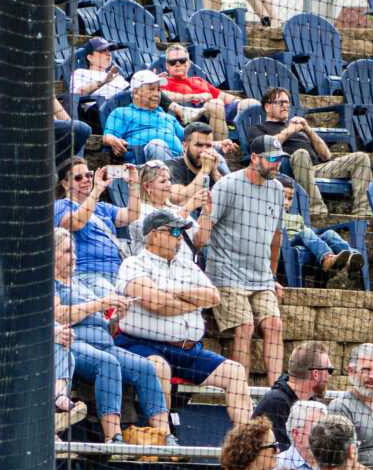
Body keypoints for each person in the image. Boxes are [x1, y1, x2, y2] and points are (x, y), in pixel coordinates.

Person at [115, 209, 249, 425]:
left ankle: (247, 443)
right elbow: (156, 303)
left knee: (235, 372)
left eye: (181, 232)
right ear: (155, 234)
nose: (180, 237)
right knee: (159, 368)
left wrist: (174, 292)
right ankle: (164, 440)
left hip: (189, 351)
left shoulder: (187, 265)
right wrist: (192, 302)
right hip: (144, 346)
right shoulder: (133, 264)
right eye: (175, 231)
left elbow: (213, 297)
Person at [53, 228, 171, 442]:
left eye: (74, 251)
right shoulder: (51, 285)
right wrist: (100, 303)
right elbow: (59, 317)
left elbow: (105, 329)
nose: (74, 257)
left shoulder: (82, 284)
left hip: (105, 343)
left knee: (146, 367)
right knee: (107, 363)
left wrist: (115, 318)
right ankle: (113, 437)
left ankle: (165, 436)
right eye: (67, 252)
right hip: (74, 344)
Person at [196, 135, 287, 385]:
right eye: (272, 159)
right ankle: (240, 390)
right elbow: (205, 228)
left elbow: (276, 238)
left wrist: (272, 276)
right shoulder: (227, 185)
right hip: (227, 273)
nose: (277, 164)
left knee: (274, 325)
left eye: (280, 159)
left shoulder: (278, 189)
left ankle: (277, 390)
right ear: (254, 158)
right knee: (245, 327)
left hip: (261, 277)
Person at [250, 87, 373, 217]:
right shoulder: (259, 128)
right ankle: (316, 210)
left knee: (361, 158)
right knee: (301, 154)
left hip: (315, 169)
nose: (285, 105)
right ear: (267, 107)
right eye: (279, 102)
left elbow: (326, 155)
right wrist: (290, 130)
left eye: (287, 102)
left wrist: (308, 130)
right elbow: (267, 147)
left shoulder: (300, 130)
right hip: (291, 171)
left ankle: (363, 213)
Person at [56, 156, 141, 295]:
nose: (86, 180)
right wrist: (97, 190)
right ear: (65, 184)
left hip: (117, 272)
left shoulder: (102, 207)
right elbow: (77, 223)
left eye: (88, 175)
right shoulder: (61, 205)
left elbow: (133, 214)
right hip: (86, 273)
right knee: (116, 304)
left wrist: (134, 185)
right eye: (78, 177)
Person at [158, 45, 254, 139]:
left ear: (188, 63)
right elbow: (162, 95)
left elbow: (223, 96)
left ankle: (252, 146)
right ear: (167, 66)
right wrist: (195, 97)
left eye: (182, 61)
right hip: (190, 117)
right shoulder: (163, 82)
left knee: (250, 103)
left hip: (217, 111)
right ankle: (219, 148)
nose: (177, 64)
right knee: (216, 104)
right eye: (173, 62)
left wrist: (239, 101)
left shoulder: (199, 80)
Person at [252, 341, 331, 451]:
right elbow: (278, 454)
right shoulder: (275, 402)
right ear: (315, 374)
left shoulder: (316, 405)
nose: (330, 376)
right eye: (329, 370)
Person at [125, 162, 203, 263]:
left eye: (169, 180)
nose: (169, 184)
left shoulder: (175, 209)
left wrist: (207, 213)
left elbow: (200, 241)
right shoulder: (138, 211)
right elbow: (161, 231)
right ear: (147, 186)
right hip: (152, 269)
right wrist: (190, 206)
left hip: (184, 270)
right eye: (163, 181)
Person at [103, 73, 186, 164]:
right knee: (157, 145)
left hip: (178, 160)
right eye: (151, 89)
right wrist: (115, 141)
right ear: (135, 92)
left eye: (158, 90)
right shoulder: (121, 113)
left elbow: (188, 137)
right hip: (143, 163)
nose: (156, 94)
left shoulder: (168, 117)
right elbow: (108, 136)